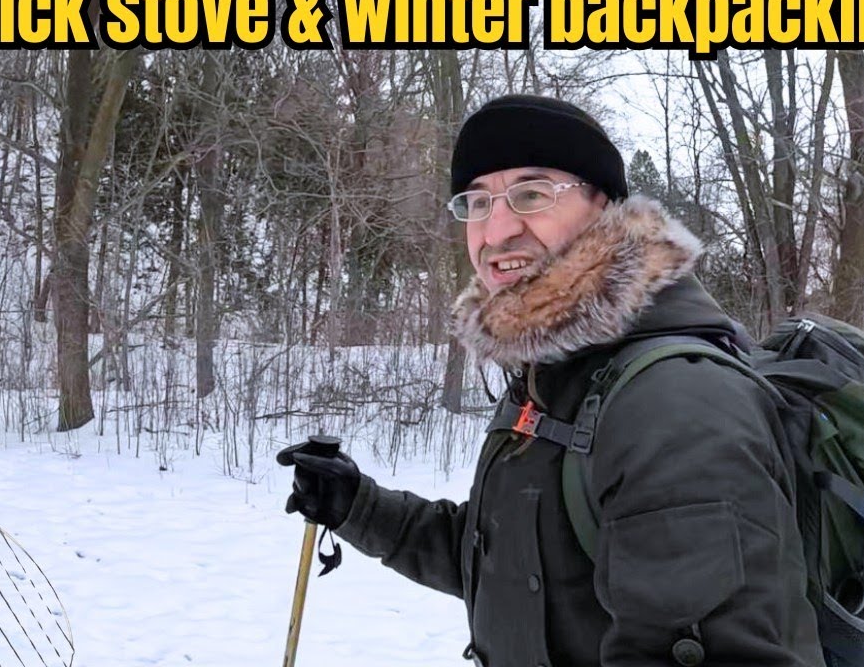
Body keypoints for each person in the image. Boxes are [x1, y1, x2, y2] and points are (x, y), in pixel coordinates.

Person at [277, 95, 826, 667]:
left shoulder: (674, 405)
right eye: (476, 201)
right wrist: (358, 506)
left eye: (531, 194)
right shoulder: (554, 374)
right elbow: (510, 562)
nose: (496, 230)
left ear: (605, 208)